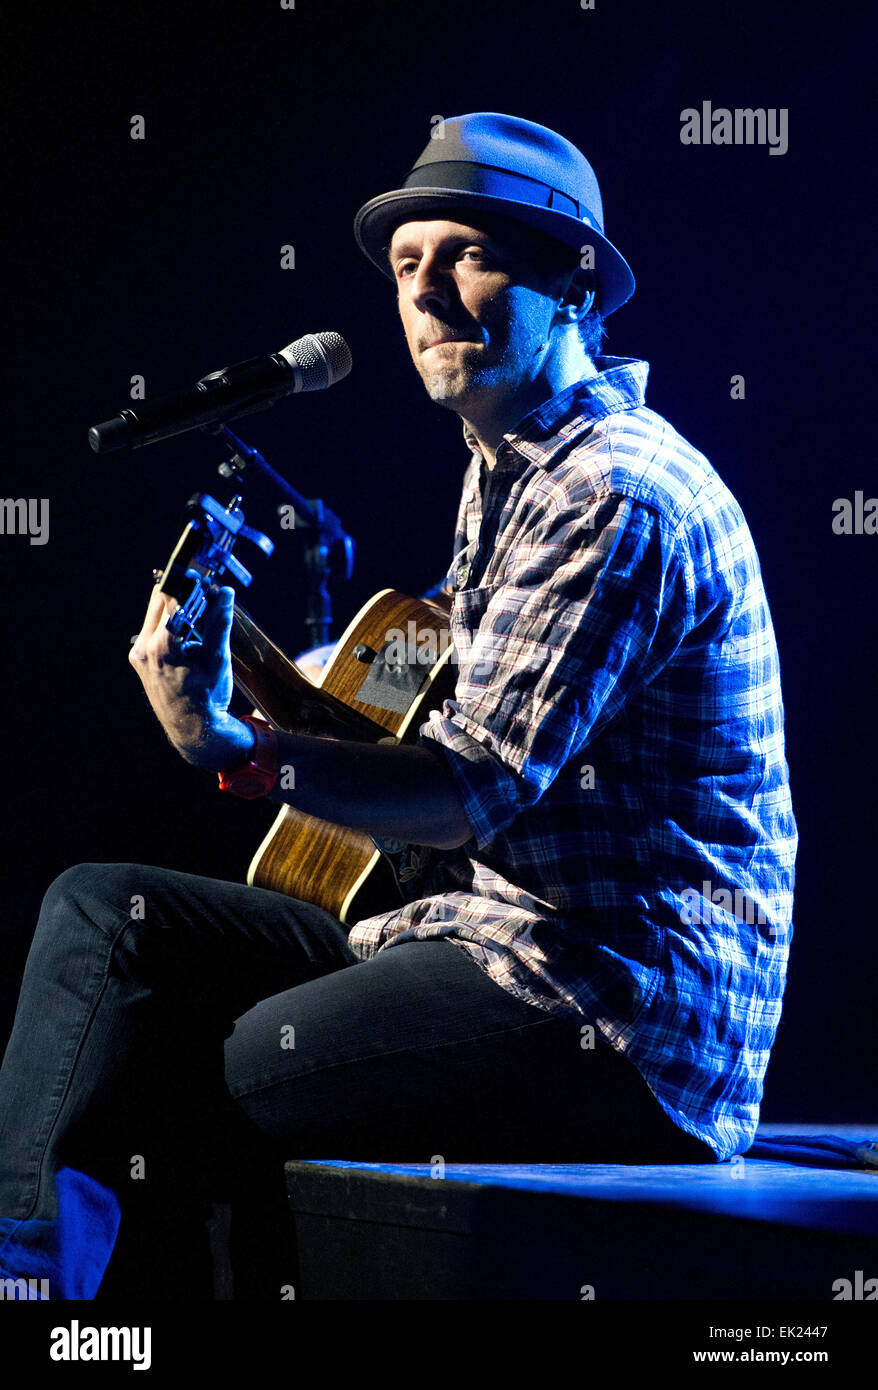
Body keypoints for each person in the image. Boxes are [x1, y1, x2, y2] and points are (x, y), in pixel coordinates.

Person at [0, 113, 797, 1301]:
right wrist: (243, 666)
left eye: (467, 255)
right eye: (407, 265)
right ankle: (27, 1285)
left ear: (571, 284)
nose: (426, 293)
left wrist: (235, 748)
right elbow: (408, 717)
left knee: (158, 1080)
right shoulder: (508, 465)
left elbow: (465, 789)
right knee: (102, 911)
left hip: (610, 1008)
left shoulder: (613, 492)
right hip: (477, 937)